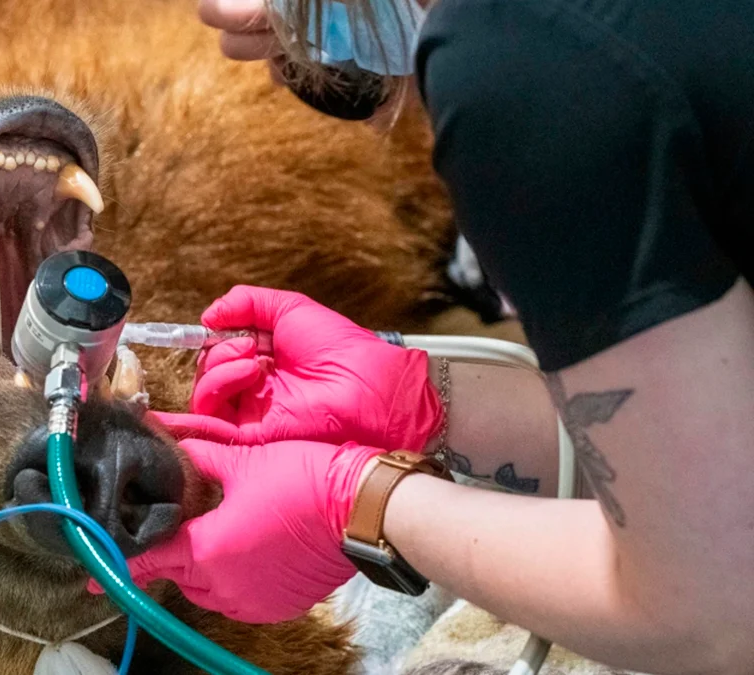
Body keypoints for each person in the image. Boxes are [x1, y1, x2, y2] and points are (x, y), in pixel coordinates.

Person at [89, 1, 754, 672]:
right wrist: (424, 403)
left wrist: (364, 502)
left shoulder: (524, 65)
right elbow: (710, 472)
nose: (223, 12)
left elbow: (713, 611)